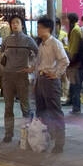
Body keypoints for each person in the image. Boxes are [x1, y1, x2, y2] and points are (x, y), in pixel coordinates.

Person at [0, 14, 36, 143]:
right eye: (13, 23)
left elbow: (39, 54)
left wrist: (32, 67)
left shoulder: (28, 40)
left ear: (22, 25)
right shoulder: (7, 39)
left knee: (25, 107)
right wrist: (3, 66)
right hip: (8, 76)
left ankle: (26, 135)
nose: (15, 25)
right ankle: (9, 133)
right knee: (8, 107)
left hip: (22, 76)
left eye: (17, 22)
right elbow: (0, 52)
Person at [32, 17, 68, 152]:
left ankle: (59, 142)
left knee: (54, 111)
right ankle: (44, 138)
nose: (38, 30)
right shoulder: (41, 44)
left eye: (39, 27)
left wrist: (56, 73)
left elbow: (64, 60)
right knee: (41, 110)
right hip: (41, 79)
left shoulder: (55, 43)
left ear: (47, 29)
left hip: (50, 80)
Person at [64, 12, 83, 112]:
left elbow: (74, 47)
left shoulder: (75, 30)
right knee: (73, 84)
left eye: (67, 19)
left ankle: (76, 106)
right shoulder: (74, 29)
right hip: (75, 61)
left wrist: (71, 60)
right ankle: (73, 103)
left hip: (75, 61)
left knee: (75, 85)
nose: (66, 20)